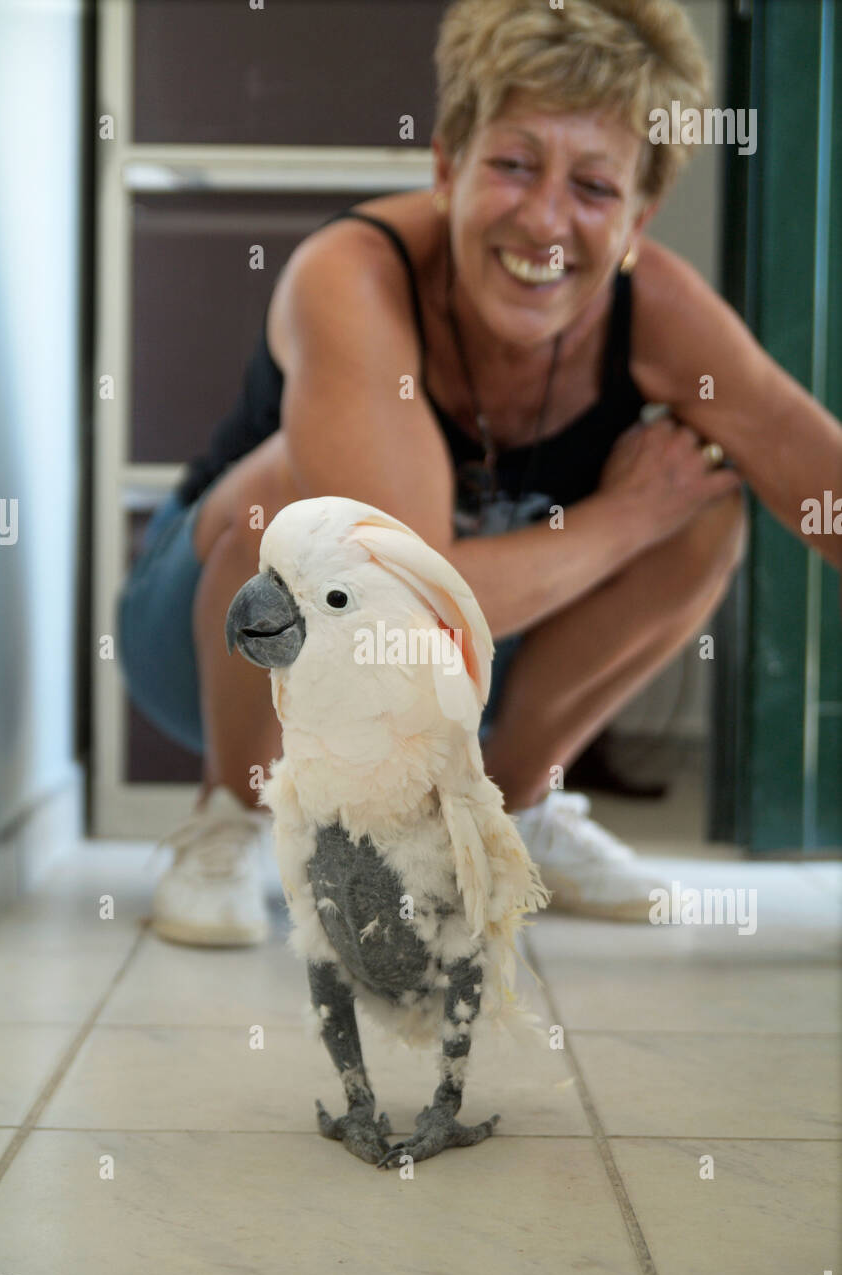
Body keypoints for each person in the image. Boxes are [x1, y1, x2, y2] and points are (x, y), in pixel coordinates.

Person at [118, 0, 842, 945]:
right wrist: (623, 517)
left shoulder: (658, 311)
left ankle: (511, 810)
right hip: (216, 645)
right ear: (447, 166)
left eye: (592, 186)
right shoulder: (351, 274)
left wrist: (656, 511)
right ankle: (229, 818)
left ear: (638, 215)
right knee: (294, 503)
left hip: (467, 662)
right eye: (511, 164)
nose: (545, 221)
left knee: (705, 506)